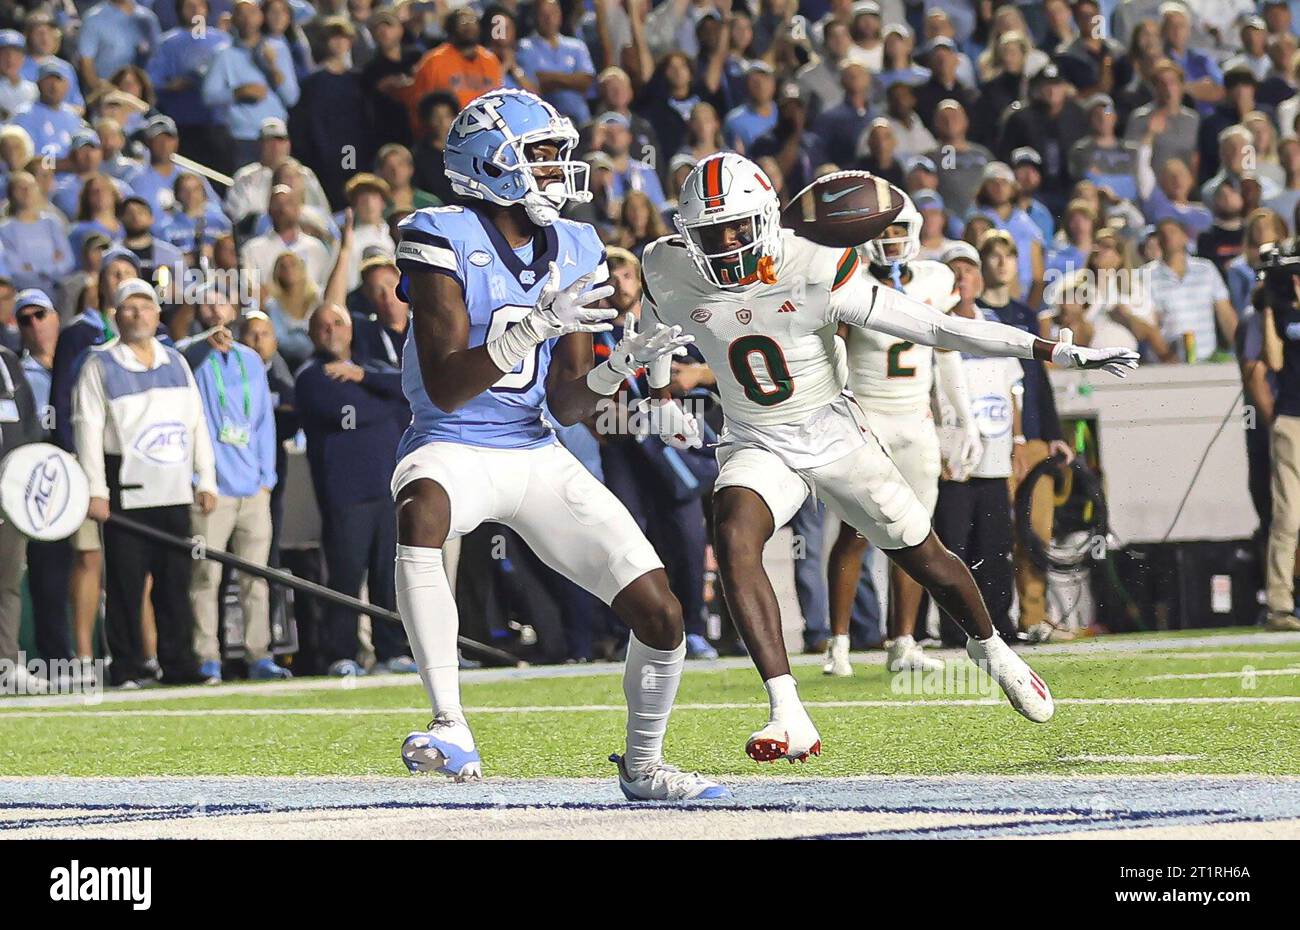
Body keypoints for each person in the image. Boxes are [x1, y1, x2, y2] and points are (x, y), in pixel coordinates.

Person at [641, 152, 1139, 761]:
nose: (723, 245)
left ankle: (991, 648)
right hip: (757, 438)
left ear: (768, 218)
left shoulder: (818, 267)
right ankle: (788, 711)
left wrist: (1051, 351)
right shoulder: (666, 264)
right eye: (708, 232)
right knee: (735, 533)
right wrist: (661, 386)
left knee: (927, 557)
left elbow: (940, 329)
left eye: (736, 227)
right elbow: (654, 321)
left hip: (836, 431)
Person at [391, 89, 726, 800]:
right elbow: (448, 385)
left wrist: (619, 365)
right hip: (451, 442)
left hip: (534, 447)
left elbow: (569, 401)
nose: (555, 169)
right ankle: (449, 723)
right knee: (421, 511)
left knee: (662, 612)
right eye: (541, 155)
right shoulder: (437, 233)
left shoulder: (575, 244)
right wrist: (532, 327)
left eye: (556, 155)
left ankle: (644, 766)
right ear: (490, 161)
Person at [824, 195, 978, 677]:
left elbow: (948, 351)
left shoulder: (937, 278)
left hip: (916, 421)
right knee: (855, 532)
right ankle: (839, 643)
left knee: (915, 533)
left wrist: (964, 418)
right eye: (882, 231)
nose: (890, 240)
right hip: (868, 417)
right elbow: (833, 352)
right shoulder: (851, 280)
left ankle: (904, 641)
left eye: (896, 230)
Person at [73, 278, 215, 688]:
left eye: (146, 307)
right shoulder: (98, 364)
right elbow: (87, 429)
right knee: (125, 586)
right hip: (125, 489)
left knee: (175, 584)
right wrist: (96, 490)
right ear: (116, 315)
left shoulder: (176, 361)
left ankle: (180, 664)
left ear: (157, 315)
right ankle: (129, 667)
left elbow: (197, 424)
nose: (138, 315)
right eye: (129, 308)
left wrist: (205, 479)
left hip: (173, 488)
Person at [293, 303, 416, 678]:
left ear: (350, 329)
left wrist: (362, 377)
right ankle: (341, 654)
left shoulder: (369, 367)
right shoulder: (311, 376)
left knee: (387, 578)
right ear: (313, 334)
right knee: (346, 578)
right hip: (345, 495)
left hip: (387, 489)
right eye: (323, 325)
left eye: (338, 323)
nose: (331, 330)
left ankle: (390, 650)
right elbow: (345, 412)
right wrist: (383, 401)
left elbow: (408, 388)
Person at [182, 293, 288, 683]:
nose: (214, 312)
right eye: (205, 306)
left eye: (220, 304)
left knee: (256, 579)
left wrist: (266, 480)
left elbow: (263, 421)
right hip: (211, 489)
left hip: (253, 490)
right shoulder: (188, 356)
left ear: (232, 311)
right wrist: (199, 479)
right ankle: (207, 657)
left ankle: (259, 655)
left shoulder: (250, 360)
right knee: (205, 577)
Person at [201, 0, 301, 170]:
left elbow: (291, 98)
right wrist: (238, 92)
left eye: (252, 13)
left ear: (261, 17)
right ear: (233, 20)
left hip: (276, 136)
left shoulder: (278, 49)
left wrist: (273, 68)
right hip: (242, 138)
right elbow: (208, 96)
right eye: (242, 14)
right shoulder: (223, 54)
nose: (248, 19)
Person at [0, 340, 42, 692]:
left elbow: (29, 425)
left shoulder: (7, 360)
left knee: (8, 583)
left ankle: (8, 664)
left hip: (8, 495)